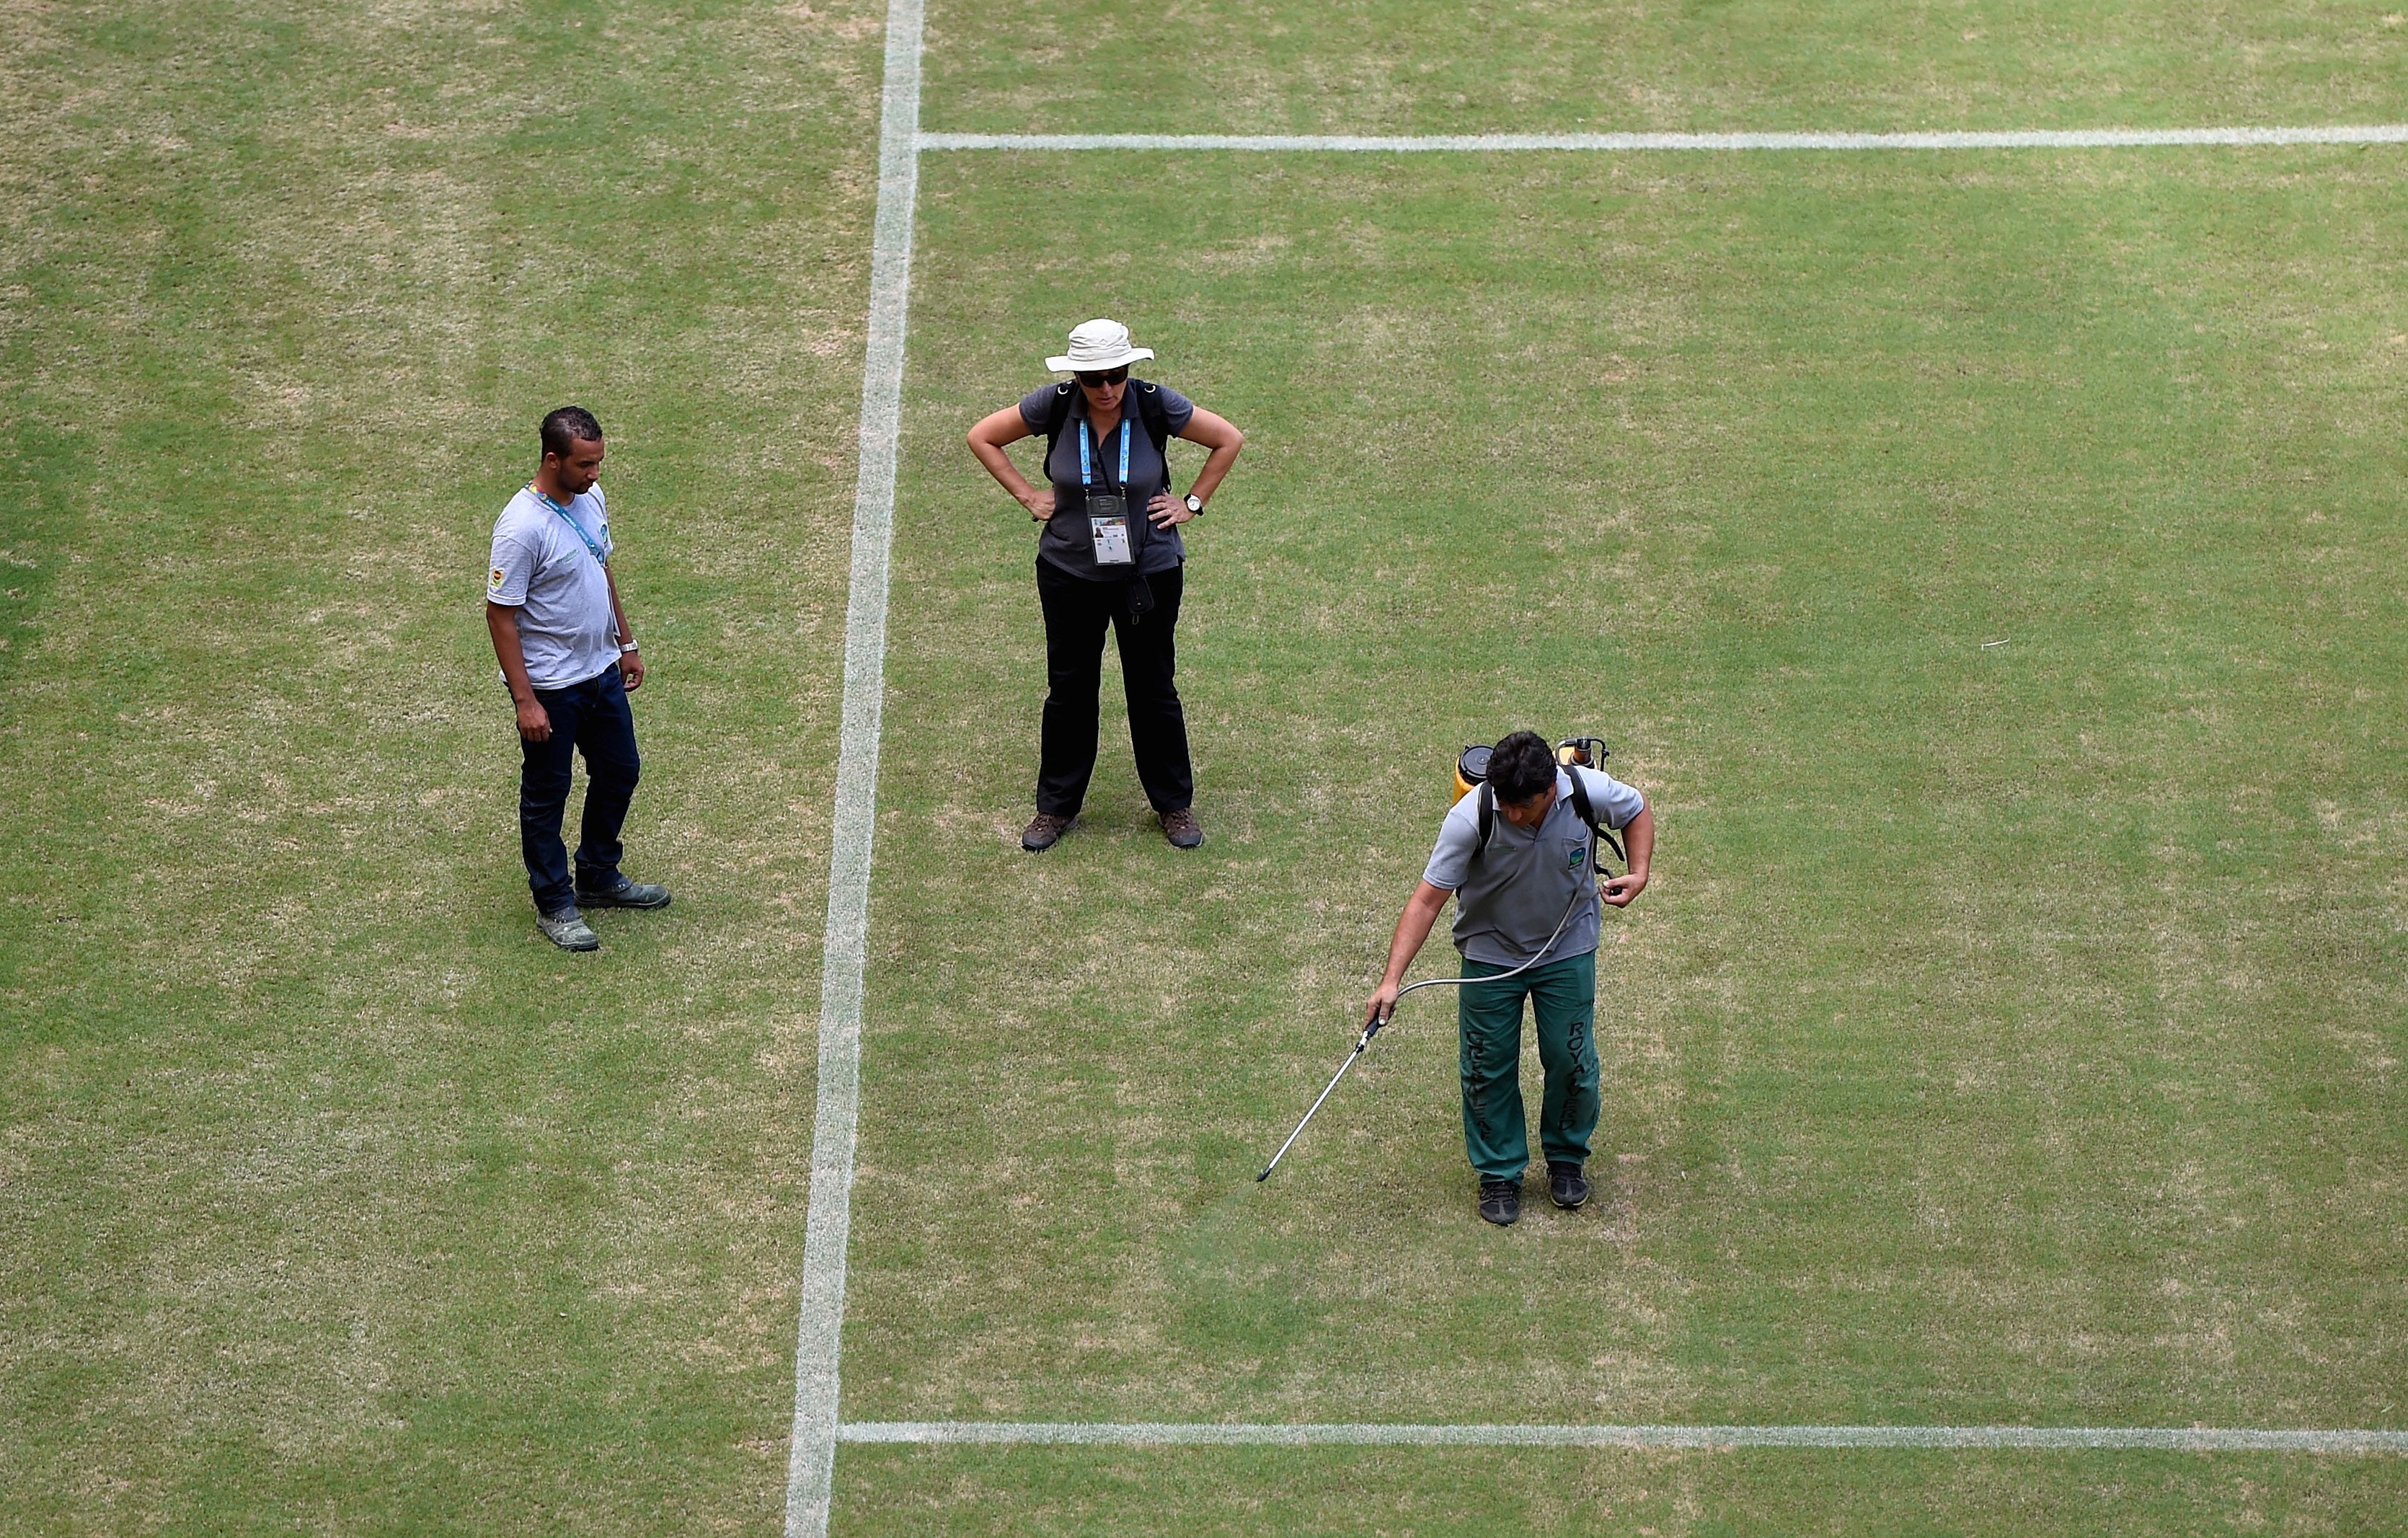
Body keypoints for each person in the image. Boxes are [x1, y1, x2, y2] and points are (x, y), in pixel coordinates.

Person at [966, 319, 1244, 852]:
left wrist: (1190, 503)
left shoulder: (1155, 403)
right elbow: (982, 436)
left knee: (1153, 688)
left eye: (1116, 375)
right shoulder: (1053, 404)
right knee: (1070, 689)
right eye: (1095, 378)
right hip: (1069, 573)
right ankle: (1056, 808)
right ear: (1077, 375)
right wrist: (1030, 497)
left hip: (1148, 572)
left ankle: (1173, 805)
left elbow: (1228, 440)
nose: (1108, 389)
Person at [1365, 731, 1655, 1227]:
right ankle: (1499, 1171)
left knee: (1572, 1057)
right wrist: (1391, 980)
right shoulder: (1470, 817)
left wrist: (1641, 870)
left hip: (1567, 948)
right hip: (1489, 955)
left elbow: (1636, 810)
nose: (1512, 814)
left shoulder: (1587, 790)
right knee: (1485, 1066)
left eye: (1523, 805)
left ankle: (1566, 1158)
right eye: (1504, 802)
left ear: (1551, 790)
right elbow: (1426, 900)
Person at [484, 406, 671, 951]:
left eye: (599, 463)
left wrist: (626, 642)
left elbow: (601, 566)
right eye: (585, 465)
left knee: (621, 770)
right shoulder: (521, 528)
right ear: (552, 459)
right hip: (551, 686)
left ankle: (596, 874)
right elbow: (500, 614)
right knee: (548, 792)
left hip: (600, 673)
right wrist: (526, 700)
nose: (595, 475)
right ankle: (554, 902)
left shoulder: (591, 501)